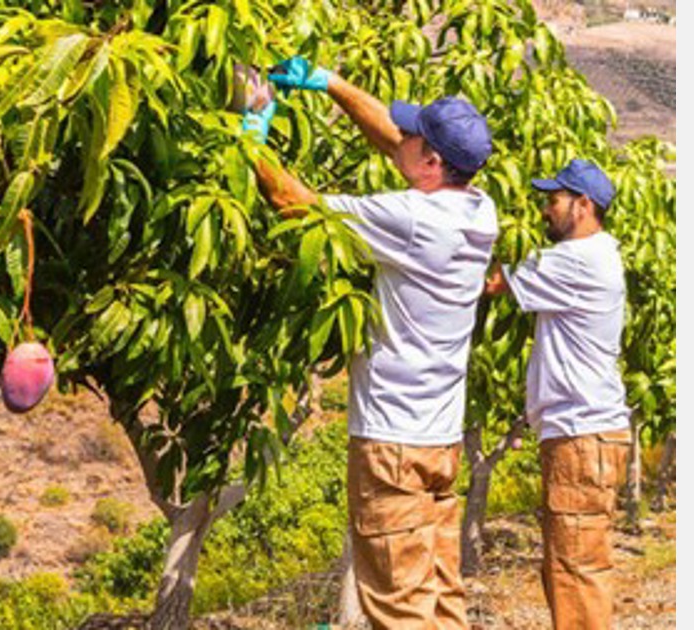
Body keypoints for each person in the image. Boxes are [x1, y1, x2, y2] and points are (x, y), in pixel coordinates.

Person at [243, 57, 497, 629]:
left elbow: (295, 204)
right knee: (439, 597)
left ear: (432, 162)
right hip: (438, 443)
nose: (398, 137)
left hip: (394, 447)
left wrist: (252, 138)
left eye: (413, 136)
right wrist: (329, 82)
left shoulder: (412, 220)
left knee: (399, 607)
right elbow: (396, 142)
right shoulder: (481, 209)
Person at [485, 158, 630, 630]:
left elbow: (490, 284)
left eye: (553, 200)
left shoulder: (575, 259)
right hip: (586, 435)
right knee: (571, 566)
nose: (545, 211)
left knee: (575, 570)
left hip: (581, 436)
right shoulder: (600, 253)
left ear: (583, 205)